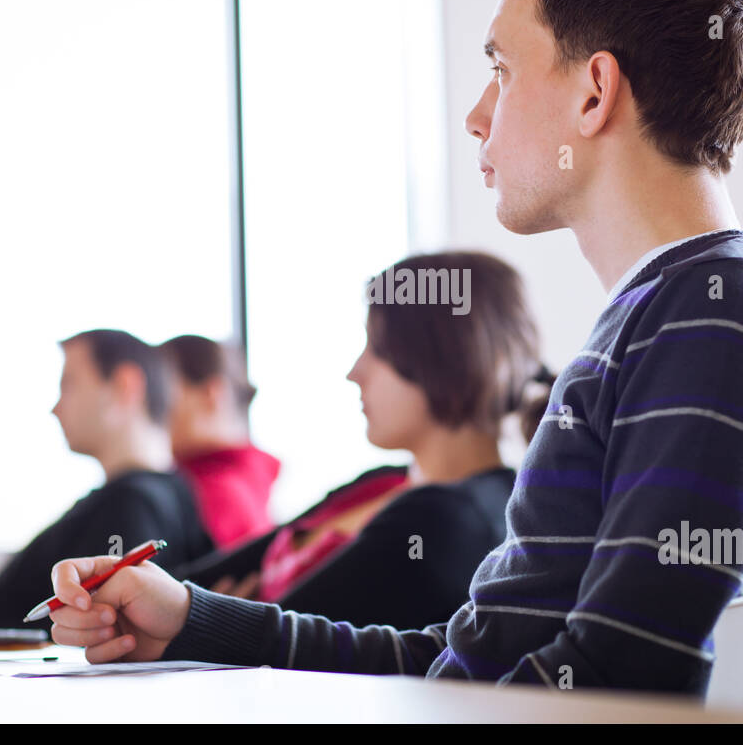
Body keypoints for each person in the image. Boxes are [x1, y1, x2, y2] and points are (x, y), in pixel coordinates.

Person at [47, 0, 743, 696]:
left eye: (500, 69)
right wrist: (190, 618)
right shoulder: (659, 322)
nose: (476, 115)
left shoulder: (721, 315)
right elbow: (464, 666)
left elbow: (623, 679)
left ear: (594, 92)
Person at [167, 250, 547, 631]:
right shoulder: (381, 482)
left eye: (377, 349)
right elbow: (188, 589)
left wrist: (211, 622)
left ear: (444, 357)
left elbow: (270, 642)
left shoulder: (449, 520)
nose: (354, 373)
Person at [0, 329, 211, 630]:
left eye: (68, 385)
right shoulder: (177, 493)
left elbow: (106, 628)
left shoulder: (130, 504)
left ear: (124, 386)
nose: (55, 408)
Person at [160, 335, 280, 552]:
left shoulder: (214, 492)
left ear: (210, 394)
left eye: (161, 392)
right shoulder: (246, 478)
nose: (153, 407)